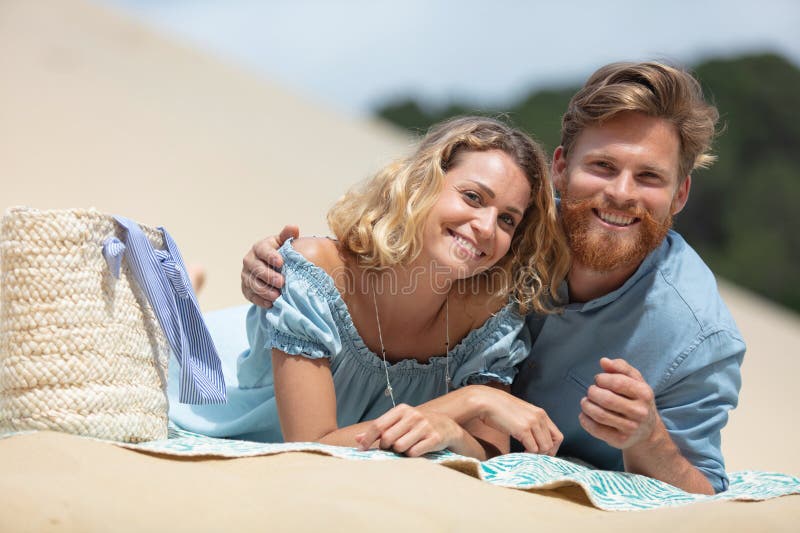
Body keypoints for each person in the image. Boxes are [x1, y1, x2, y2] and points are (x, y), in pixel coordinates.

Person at [242, 62, 745, 495]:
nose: (620, 193)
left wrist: (647, 438)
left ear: (680, 195)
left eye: (650, 177)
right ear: (562, 170)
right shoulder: (512, 227)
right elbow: (380, 243)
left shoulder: (699, 336)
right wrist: (270, 272)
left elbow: (706, 497)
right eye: (603, 165)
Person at [170, 116, 572, 460]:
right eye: (472, 197)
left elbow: (489, 453)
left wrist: (452, 432)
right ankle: (181, 300)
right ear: (423, 183)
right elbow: (312, 449)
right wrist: (471, 400)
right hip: (223, 400)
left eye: (507, 220)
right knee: (162, 349)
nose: (485, 227)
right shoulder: (319, 272)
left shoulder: (492, 322)